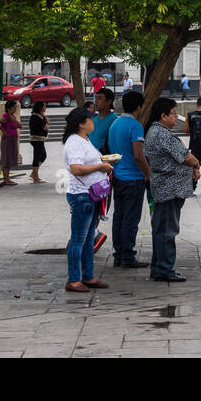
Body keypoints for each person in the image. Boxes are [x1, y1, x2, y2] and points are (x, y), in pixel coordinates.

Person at [144, 96, 201, 282]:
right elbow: (185, 157)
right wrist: (196, 164)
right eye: (173, 113)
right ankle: (164, 269)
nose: (176, 117)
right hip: (169, 189)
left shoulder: (154, 131)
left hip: (163, 187)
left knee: (161, 229)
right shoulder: (163, 135)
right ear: (163, 116)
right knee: (167, 230)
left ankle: (159, 267)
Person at [62, 109, 113, 292]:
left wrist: (103, 165)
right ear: (81, 123)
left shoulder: (85, 139)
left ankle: (88, 275)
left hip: (92, 194)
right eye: (90, 119)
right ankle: (74, 279)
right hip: (82, 195)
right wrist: (100, 166)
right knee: (78, 239)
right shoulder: (74, 142)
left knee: (88, 238)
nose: (94, 122)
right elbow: (76, 169)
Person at [108, 90, 152, 268]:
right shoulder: (135, 126)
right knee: (131, 219)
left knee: (119, 216)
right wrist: (148, 173)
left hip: (117, 177)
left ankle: (119, 254)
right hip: (133, 178)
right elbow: (138, 155)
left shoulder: (115, 124)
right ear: (139, 107)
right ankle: (127, 255)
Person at [0, 99, 22, 186]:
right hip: (7, 139)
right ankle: (5, 179)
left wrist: (15, 120)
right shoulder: (5, 116)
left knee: (9, 159)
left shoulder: (12, 117)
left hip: (13, 139)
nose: (15, 109)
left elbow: (20, 126)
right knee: (6, 159)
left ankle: (8, 179)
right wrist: (3, 131)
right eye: (14, 107)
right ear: (9, 108)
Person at [89, 87, 117, 155]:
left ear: (109, 102)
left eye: (100, 98)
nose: (96, 101)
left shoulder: (114, 121)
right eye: (96, 98)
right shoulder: (93, 119)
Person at [28, 100, 49, 183]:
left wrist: (43, 115)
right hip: (36, 139)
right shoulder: (35, 117)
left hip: (40, 139)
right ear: (40, 107)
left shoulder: (40, 116)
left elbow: (48, 123)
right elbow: (46, 127)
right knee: (36, 158)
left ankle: (33, 174)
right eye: (44, 106)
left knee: (43, 156)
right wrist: (45, 120)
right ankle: (36, 177)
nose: (45, 108)